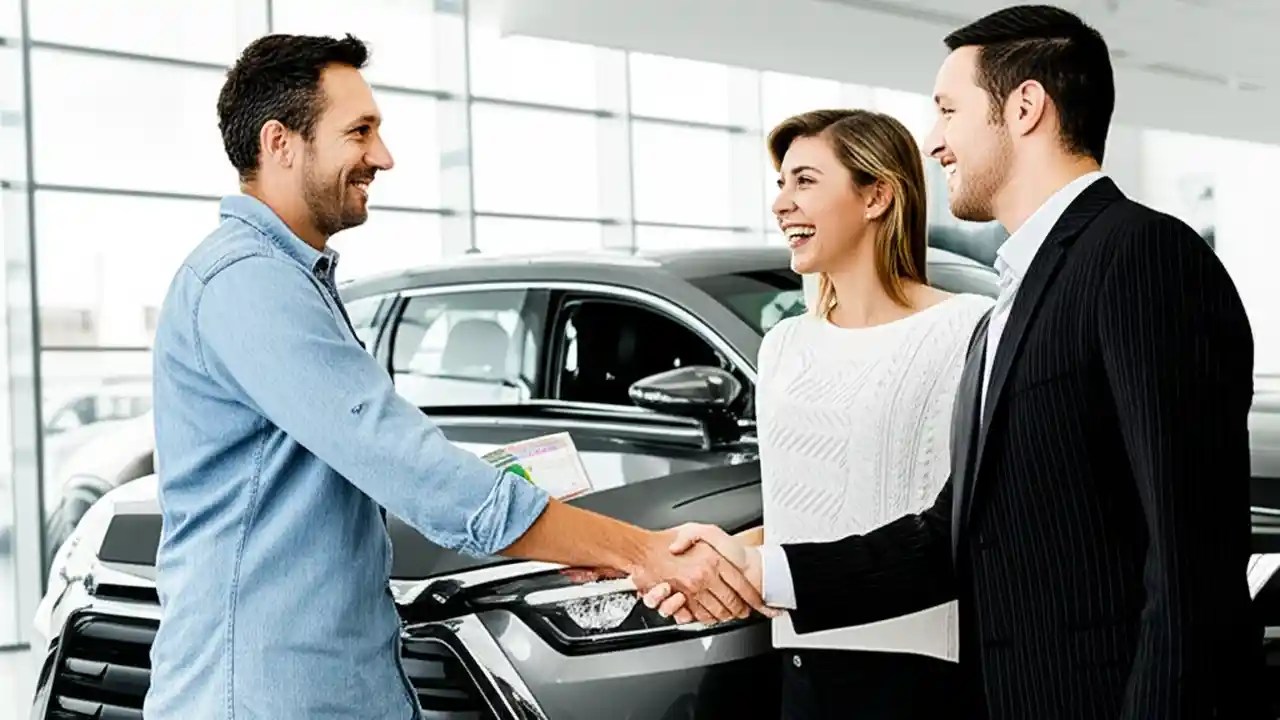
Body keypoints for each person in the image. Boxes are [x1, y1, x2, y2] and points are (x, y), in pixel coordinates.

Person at [648, 5, 1265, 719]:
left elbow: (1194, 557)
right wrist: (759, 567)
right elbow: (950, 538)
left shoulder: (1138, 256)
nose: (935, 141)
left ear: (1025, 107)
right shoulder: (1012, 302)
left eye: (948, 110)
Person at [143, 33, 764, 719]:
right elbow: (414, 471)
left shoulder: (290, 278)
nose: (382, 156)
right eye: (360, 131)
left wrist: (566, 537)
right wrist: (639, 552)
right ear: (280, 143)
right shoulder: (249, 284)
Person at [717, 108, 996, 718]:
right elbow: (802, 506)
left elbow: (964, 522)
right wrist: (722, 558)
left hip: (918, 669)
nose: (781, 204)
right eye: (781, 184)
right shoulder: (784, 344)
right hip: (800, 659)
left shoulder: (968, 328)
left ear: (877, 195)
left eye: (805, 181)